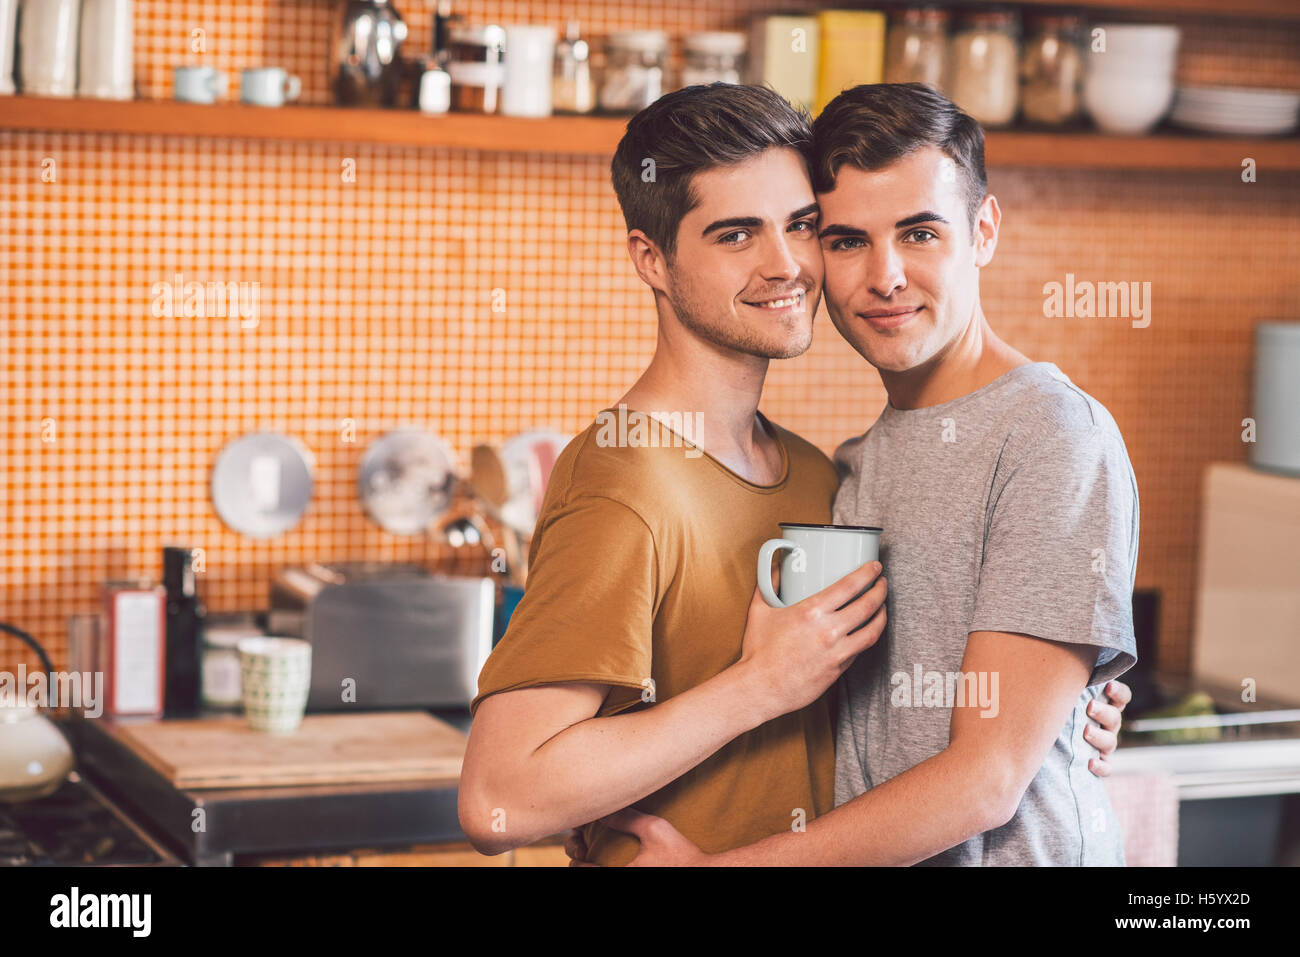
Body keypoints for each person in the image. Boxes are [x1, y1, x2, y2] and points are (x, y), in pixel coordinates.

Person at [458, 84, 1130, 868]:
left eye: (802, 228)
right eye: (738, 233)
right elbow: (499, 798)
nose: (788, 265)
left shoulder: (838, 472)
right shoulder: (639, 485)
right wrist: (752, 688)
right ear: (652, 258)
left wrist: (1061, 713)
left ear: (982, 232)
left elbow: (982, 769)